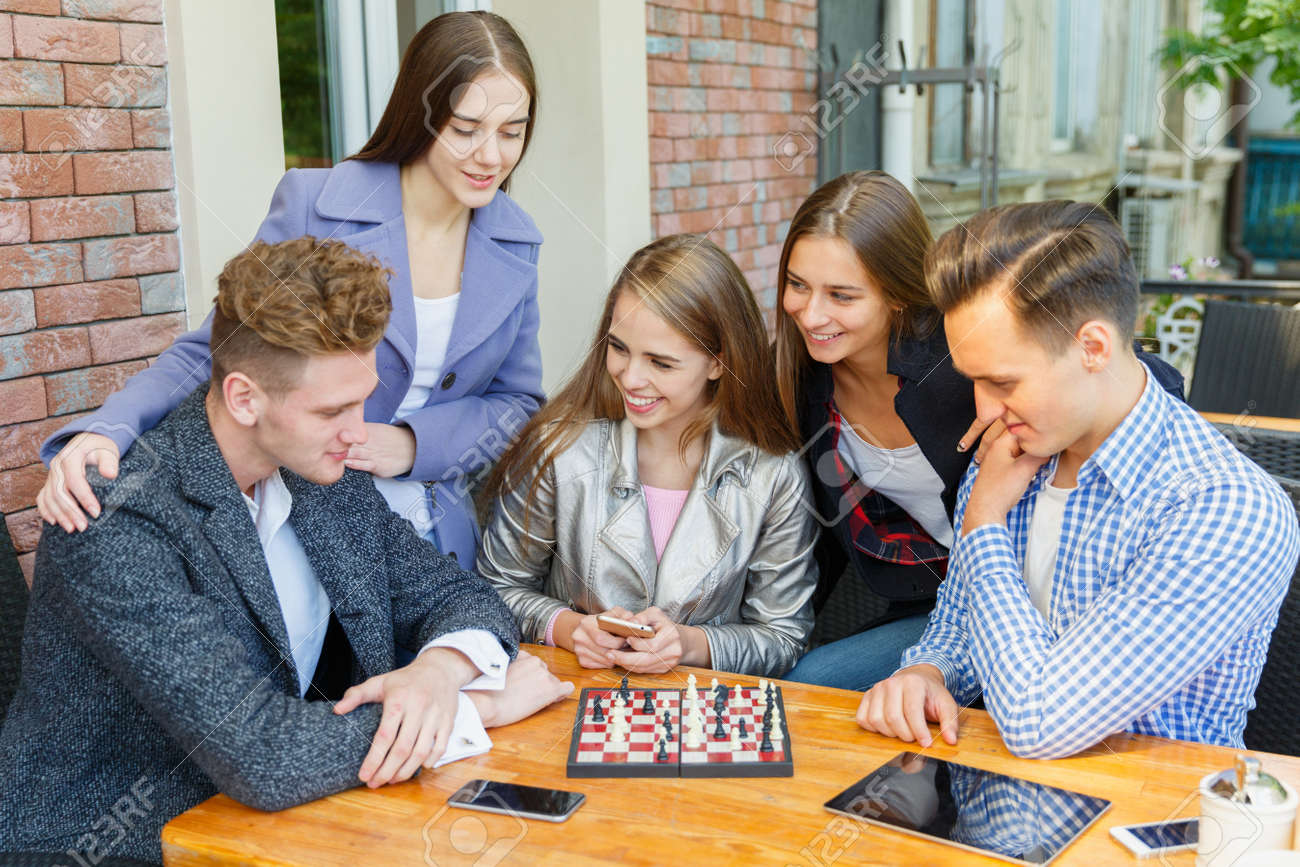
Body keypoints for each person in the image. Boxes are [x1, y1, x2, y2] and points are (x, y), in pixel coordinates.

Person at [0, 238, 572, 864]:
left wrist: (438, 674)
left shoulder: (319, 463)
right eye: (333, 410)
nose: (360, 431)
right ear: (245, 398)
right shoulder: (119, 518)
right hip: (127, 844)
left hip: (300, 822)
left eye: (363, 399)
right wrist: (475, 708)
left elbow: (458, 596)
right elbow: (261, 755)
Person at [36, 11, 543, 567]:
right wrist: (112, 427)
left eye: (512, 132)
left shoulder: (516, 242)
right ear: (419, 115)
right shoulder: (316, 203)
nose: (491, 156)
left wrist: (414, 444)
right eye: (466, 130)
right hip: (309, 517)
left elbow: (518, 402)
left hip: (435, 529)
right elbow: (223, 350)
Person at [856, 201, 1299, 758]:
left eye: (1002, 381)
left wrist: (984, 523)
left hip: (1145, 826)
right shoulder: (1014, 453)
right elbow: (963, 622)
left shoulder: (1224, 510)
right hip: (993, 803)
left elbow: (1040, 723)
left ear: (1093, 347)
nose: (985, 410)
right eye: (973, 380)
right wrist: (927, 672)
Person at [774, 172, 1184, 690]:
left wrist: (1010, 412)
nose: (811, 314)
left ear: (896, 293)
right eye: (797, 285)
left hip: (1037, 592)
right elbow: (810, 530)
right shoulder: (794, 381)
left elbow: (1146, 376)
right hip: (937, 609)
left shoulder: (963, 360)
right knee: (810, 684)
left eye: (842, 295)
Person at [477, 234, 818, 678]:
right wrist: (569, 628)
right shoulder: (559, 449)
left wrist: (690, 643)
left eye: (661, 363)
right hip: (567, 703)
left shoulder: (774, 475)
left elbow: (783, 636)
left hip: (701, 722)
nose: (631, 377)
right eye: (619, 348)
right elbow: (492, 588)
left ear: (718, 363)